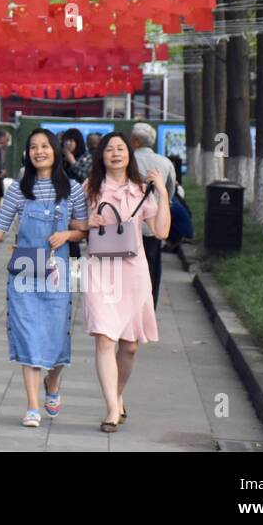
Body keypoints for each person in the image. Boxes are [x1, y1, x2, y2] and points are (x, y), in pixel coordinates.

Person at [0, 129, 88, 427]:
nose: (39, 151)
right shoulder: (19, 190)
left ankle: (53, 382)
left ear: (55, 151)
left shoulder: (72, 189)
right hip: (26, 266)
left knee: (57, 337)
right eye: (33, 147)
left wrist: (67, 234)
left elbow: (84, 229)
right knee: (28, 335)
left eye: (45, 146)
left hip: (57, 270)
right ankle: (32, 406)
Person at [78, 131, 170, 433]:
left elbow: (161, 232)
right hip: (100, 271)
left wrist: (163, 195)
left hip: (133, 273)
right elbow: (69, 222)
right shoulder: (89, 188)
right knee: (105, 339)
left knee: (129, 347)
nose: (115, 153)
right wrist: (85, 224)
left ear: (130, 154)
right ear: (101, 156)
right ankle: (110, 410)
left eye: (121, 148)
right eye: (109, 149)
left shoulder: (141, 189)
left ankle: (117, 397)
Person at [129, 122, 175, 308]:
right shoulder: (165, 163)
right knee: (152, 270)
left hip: (127, 228)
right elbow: (169, 193)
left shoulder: (127, 160)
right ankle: (149, 308)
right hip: (154, 227)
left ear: (137, 141)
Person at [0, 130, 13, 195]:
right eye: (7, 140)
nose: (7, 143)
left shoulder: (2, 151)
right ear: (1, 138)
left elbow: (3, 166)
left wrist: (4, 172)